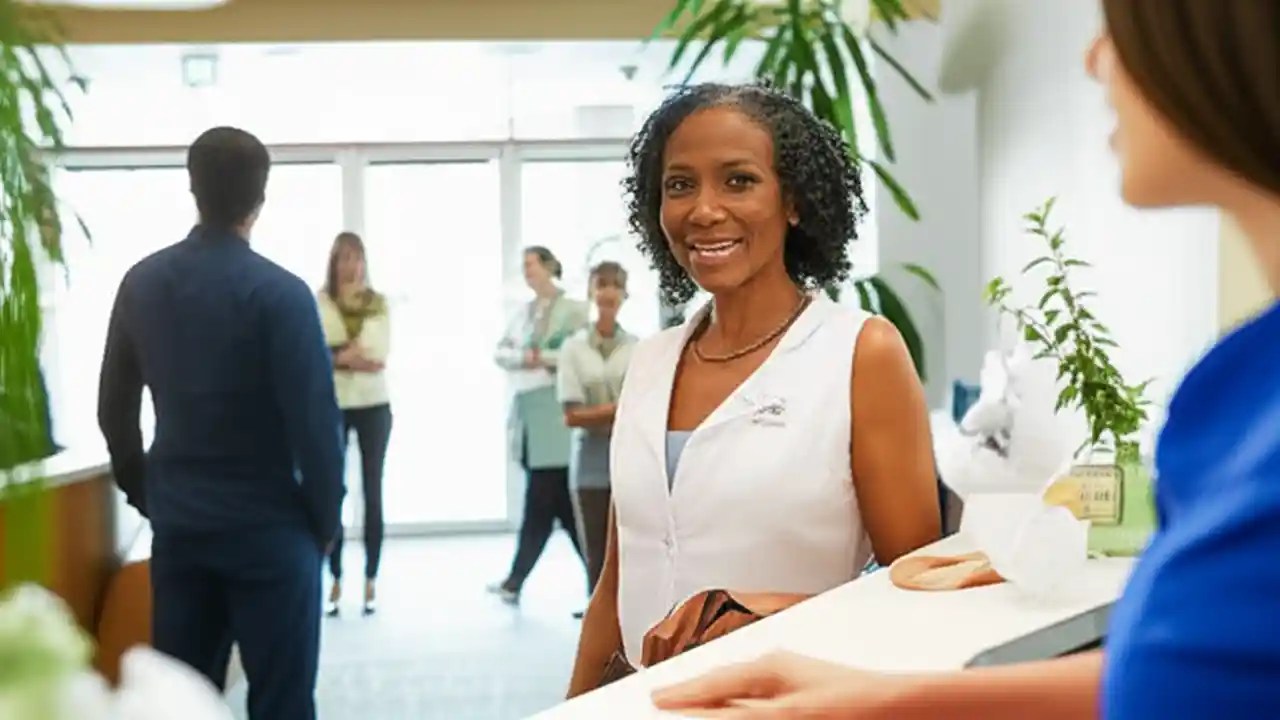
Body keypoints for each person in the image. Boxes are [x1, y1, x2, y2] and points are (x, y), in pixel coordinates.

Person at [651, 1, 1280, 717]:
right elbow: (1180, 673)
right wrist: (886, 699)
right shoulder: (1232, 391)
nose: (1093, 60)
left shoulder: (860, 347)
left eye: (1125, 31)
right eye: (680, 184)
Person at [567, 82, 942, 696]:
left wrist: (771, 614)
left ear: (792, 200)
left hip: (790, 703)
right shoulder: (651, 361)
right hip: (644, 701)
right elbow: (616, 582)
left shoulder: (860, 352)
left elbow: (915, 587)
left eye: (738, 181)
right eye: (679, 185)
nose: (704, 210)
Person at [97, 126, 344, 720]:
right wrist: (324, 523)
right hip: (273, 533)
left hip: (182, 528)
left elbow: (113, 410)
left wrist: (148, 495)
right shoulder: (282, 295)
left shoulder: (142, 283)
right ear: (260, 198)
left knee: (184, 705)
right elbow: (316, 427)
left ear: (193, 188)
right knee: (282, 704)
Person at [488, 246, 590, 604]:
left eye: (531, 264)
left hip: (556, 413)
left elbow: (578, 353)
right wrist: (524, 358)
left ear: (548, 266)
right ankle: (597, 582)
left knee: (546, 499)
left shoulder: (573, 310)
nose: (526, 271)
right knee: (554, 504)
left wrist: (541, 357)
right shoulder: (524, 313)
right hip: (530, 411)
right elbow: (501, 351)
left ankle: (518, 580)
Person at [317, 232, 392, 618]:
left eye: (357, 258)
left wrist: (337, 355)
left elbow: (379, 356)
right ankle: (335, 577)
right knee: (334, 491)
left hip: (374, 406)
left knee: (372, 491)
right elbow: (314, 351)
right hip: (334, 406)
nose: (351, 266)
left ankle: (371, 579)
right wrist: (346, 356)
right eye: (344, 258)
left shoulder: (378, 304)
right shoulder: (320, 302)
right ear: (334, 263)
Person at [557, 261, 638, 596]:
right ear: (591, 292)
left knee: (631, 556)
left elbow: (645, 408)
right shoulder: (573, 348)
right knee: (596, 556)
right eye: (601, 284)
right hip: (590, 463)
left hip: (630, 460)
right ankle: (597, 621)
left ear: (625, 294)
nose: (608, 292)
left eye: (615, 285)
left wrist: (603, 412)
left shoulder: (637, 347)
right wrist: (621, 408)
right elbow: (572, 416)